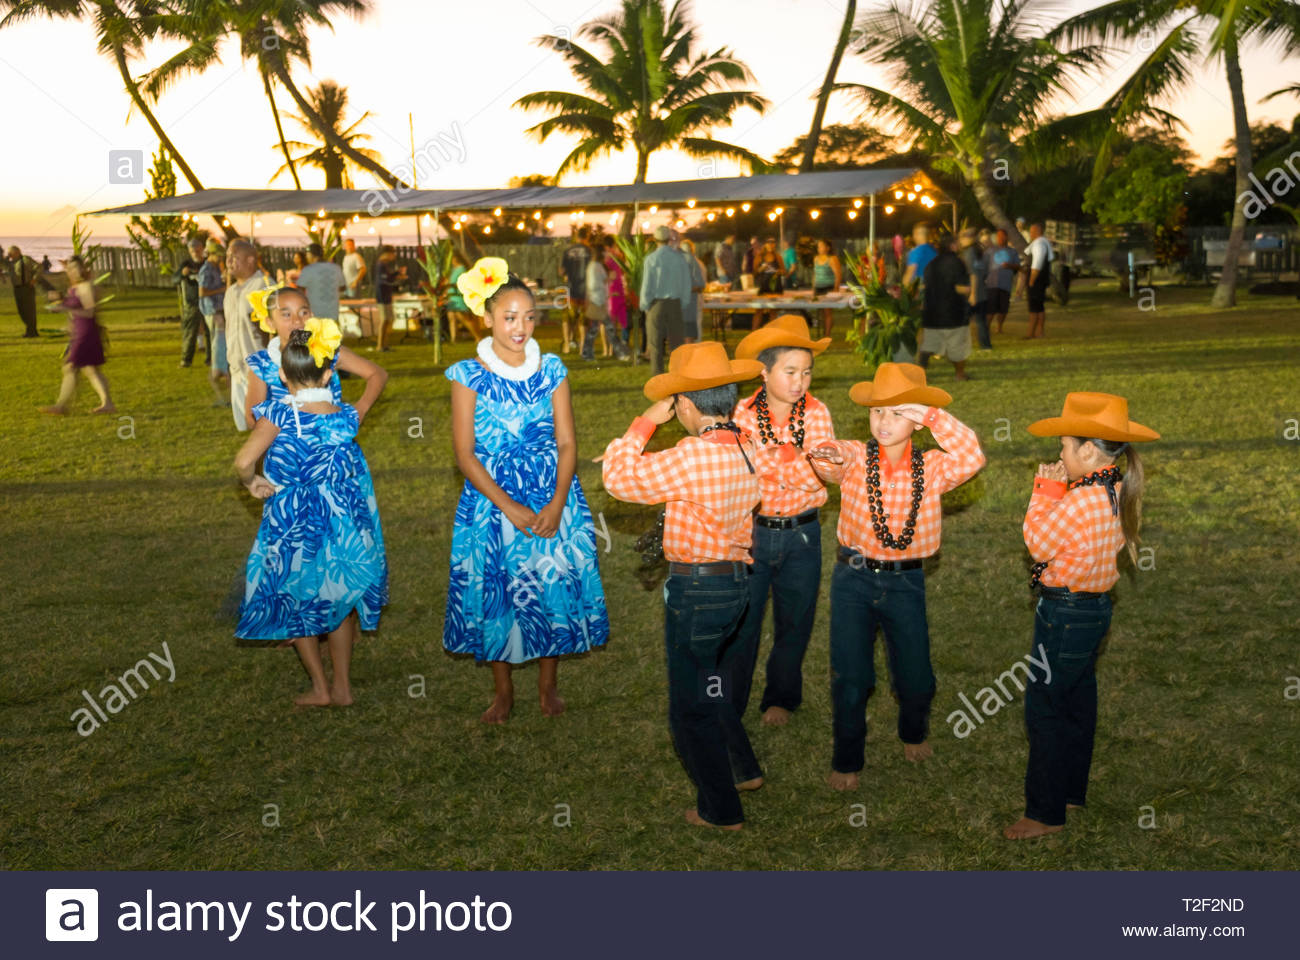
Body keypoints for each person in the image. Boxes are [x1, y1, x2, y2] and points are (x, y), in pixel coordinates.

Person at [601, 341, 765, 830]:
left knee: (689, 709)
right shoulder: (747, 445)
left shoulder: (689, 456)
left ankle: (721, 811)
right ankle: (741, 768)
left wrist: (644, 423)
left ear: (686, 406)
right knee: (711, 681)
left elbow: (618, 478)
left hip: (698, 591)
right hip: (736, 585)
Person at [444, 258, 609, 722]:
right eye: (509, 317)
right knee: (497, 591)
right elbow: (465, 453)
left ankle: (547, 683)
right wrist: (508, 507)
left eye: (529, 317)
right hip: (493, 502)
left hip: (551, 495)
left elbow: (568, 442)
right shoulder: (466, 375)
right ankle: (502, 690)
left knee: (549, 587)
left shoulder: (552, 367)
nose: (520, 327)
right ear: (488, 318)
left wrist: (557, 503)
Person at [807, 363, 985, 789]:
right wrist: (828, 455)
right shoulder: (854, 457)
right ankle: (847, 758)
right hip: (853, 578)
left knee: (916, 677)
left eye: (897, 413)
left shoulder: (934, 467)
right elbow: (832, 460)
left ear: (919, 420)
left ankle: (913, 728)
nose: (883, 422)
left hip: (906, 583)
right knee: (851, 675)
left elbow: (972, 456)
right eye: (877, 412)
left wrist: (932, 415)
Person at [1004, 392, 1158, 840]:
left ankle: (1045, 812)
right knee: (1076, 701)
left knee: (1045, 708)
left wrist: (1045, 489)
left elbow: (1038, 542)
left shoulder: (1079, 499)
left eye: (1065, 446)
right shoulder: (1111, 488)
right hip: (1093, 613)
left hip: (1064, 614)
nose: (1059, 454)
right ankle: (1071, 789)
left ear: (1088, 451)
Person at [233, 319, 388, 708]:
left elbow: (243, 460)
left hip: (294, 525)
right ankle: (343, 687)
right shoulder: (346, 417)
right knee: (336, 599)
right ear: (330, 371)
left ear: (282, 374)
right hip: (341, 525)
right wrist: (363, 404)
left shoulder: (278, 414)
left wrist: (252, 482)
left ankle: (320, 686)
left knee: (298, 597)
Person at [730, 315, 835, 732]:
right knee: (744, 622)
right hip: (752, 532)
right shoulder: (742, 412)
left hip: (802, 533)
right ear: (764, 372)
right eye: (790, 372)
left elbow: (817, 474)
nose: (800, 382)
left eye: (807, 372)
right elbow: (741, 471)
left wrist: (769, 461)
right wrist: (791, 459)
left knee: (796, 619)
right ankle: (731, 700)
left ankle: (781, 696)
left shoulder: (818, 413)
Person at [243, 283, 387, 431]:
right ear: (270, 322)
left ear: (311, 315)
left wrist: (360, 410)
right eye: (286, 314)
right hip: (288, 449)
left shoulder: (328, 352)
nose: (297, 320)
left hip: (331, 445)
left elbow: (378, 374)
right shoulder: (263, 364)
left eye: (303, 312)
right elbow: (252, 416)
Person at [38, 256, 114, 415]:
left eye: (75, 268)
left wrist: (64, 308)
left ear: (82, 269)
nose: (72, 271)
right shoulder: (75, 287)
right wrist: (62, 305)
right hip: (79, 332)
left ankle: (60, 406)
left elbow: (89, 312)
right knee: (91, 370)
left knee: (70, 367)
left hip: (87, 333)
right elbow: (73, 307)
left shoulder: (86, 286)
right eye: (70, 268)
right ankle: (107, 404)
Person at [224, 239, 270, 432]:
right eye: (227, 257)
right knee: (247, 425)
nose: (228, 262)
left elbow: (275, 330)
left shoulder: (263, 287)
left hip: (259, 370)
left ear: (251, 260)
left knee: (264, 427)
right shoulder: (231, 291)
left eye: (234, 257)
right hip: (237, 367)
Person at [918, 234, 973, 381]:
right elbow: (962, 287)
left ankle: (920, 375)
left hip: (931, 312)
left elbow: (924, 287)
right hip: (953, 311)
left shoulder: (931, 264)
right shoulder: (957, 263)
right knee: (957, 346)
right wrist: (969, 291)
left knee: (928, 346)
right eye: (958, 243)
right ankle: (960, 374)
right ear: (953, 246)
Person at [640, 225, 690, 374]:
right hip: (675, 303)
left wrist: (644, 304)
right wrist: (684, 302)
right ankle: (677, 375)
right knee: (676, 344)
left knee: (655, 344)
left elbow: (647, 284)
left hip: (656, 304)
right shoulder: (679, 258)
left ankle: (658, 377)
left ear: (655, 240)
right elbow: (686, 283)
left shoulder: (651, 259)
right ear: (669, 239)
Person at [581, 236, 629, 360]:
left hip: (599, 300)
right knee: (609, 328)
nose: (606, 253)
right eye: (604, 251)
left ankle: (587, 353)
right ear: (600, 253)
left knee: (595, 329)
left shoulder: (596, 265)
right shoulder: (595, 266)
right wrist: (607, 279)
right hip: (597, 301)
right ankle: (620, 353)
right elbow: (594, 285)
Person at [198, 239, 229, 406]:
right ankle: (218, 368)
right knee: (218, 341)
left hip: (218, 310)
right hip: (212, 311)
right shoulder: (206, 269)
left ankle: (220, 369)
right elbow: (202, 292)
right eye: (218, 255)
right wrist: (221, 290)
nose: (220, 258)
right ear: (211, 254)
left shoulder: (216, 268)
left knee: (220, 341)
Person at [172, 237, 209, 368]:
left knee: (210, 331)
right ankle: (186, 360)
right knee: (190, 331)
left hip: (208, 300)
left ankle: (210, 359)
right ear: (189, 251)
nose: (195, 252)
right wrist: (182, 274)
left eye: (197, 249)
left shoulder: (207, 263)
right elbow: (174, 279)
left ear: (202, 249)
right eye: (192, 250)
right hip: (192, 302)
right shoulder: (186, 264)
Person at [958, 228, 991, 351]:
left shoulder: (968, 253)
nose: (960, 241)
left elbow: (972, 274)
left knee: (961, 320)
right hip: (982, 291)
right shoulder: (981, 252)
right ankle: (986, 345)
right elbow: (985, 271)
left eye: (961, 238)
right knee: (981, 321)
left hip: (971, 292)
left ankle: (958, 345)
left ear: (968, 238)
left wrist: (972, 293)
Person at [561, 226, 592, 354]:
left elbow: (561, 271)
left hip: (570, 289)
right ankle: (582, 347)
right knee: (583, 320)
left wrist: (567, 274)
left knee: (567, 318)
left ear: (576, 236)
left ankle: (567, 345)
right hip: (586, 290)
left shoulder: (568, 251)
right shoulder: (589, 251)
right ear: (587, 237)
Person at [986, 228, 1021, 335]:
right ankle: (986, 328)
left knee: (1003, 309)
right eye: (998, 236)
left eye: (1002, 236)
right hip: (992, 284)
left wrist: (1009, 265)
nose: (1000, 238)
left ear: (1006, 237)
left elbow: (1018, 266)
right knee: (990, 308)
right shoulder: (990, 251)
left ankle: (999, 327)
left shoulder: (1012, 252)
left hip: (1005, 284)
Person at [296, 242, 342, 322]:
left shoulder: (308, 270)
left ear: (312, 255)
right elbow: (342, 287)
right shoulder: (335, 268)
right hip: (332, 313)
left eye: (307, 254)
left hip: (315, 314)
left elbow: (300, 290)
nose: (306, 257)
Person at [372, 245, 405, 352]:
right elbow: (384, 280)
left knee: (389, 319)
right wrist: (396, 274)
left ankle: (385, 345)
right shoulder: (380, 264)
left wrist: (396, 275)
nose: (394, 256)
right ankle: (380, 345)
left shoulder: (384, 265)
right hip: (382, 295)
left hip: (386, 294)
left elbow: (387, 278)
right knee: (385, 319)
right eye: (392, 253)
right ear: (387, 253)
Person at [1024, 222, 1054, 339]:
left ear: (1037, 232)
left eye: (1032, 231)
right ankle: (1039, 332)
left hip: (1037, 280)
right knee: (1040, 307)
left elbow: (1037, 264)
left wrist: (1031, 280)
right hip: (1042, 279)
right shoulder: (1044, 242)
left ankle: (1031, 333)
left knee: (1034, 308)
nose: (1030, 234)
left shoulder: (1039, 244)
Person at [5, 245, 43, 337]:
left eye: (11, 253)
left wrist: (34, 279)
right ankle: (29, 330)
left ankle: (32, 332)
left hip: (26, 288)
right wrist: (6, 257)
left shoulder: (26, 260)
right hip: (17, 289)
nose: (10, 255)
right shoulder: (11, 262)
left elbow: (39, 267)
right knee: (21, 310)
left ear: (16, 252)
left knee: (29, 310)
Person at [445, 249, 480, 343]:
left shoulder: (462, 269)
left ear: (455, 259)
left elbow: (463, 282)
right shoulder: (453, 270)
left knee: (463, 317)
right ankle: (453, 339)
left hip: (458, 296)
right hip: (451, 296)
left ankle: (477, 336)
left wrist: (451, 285)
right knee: (451, 317)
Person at [811, 238, 843, 338]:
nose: (819, 248)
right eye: (818, 246)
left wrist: (835, 289)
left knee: (827, 312)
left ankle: (827, 335)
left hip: (828, 288)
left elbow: (838, 275)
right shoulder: (816, 259)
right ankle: (825, 328)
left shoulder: (832, 259)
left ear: (827, 248)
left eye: (821, 246)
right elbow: (815, 274)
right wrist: (813, 288)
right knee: (821, 312)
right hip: (818, 288)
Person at [679, 236, 706, 343]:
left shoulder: (696, 264)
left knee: (696, 325)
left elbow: (701, 285)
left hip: (694, 300)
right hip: (688, 302)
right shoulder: (695, 263)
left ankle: (696, 348)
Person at [602, 235, 629, 339]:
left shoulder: (606, 257)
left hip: (611, 288)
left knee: (612, 315)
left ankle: (612, 342)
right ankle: (624, 340)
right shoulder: (618, 255)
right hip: (620, 287)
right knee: (622, 315)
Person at [901, 222, 937, 288]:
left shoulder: (916, 252)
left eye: (914, 234)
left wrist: (903, 289)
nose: (913, 237)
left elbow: (910, 273)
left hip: (919, 290)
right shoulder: (934, 251)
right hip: (933, 289)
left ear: (918, 234)